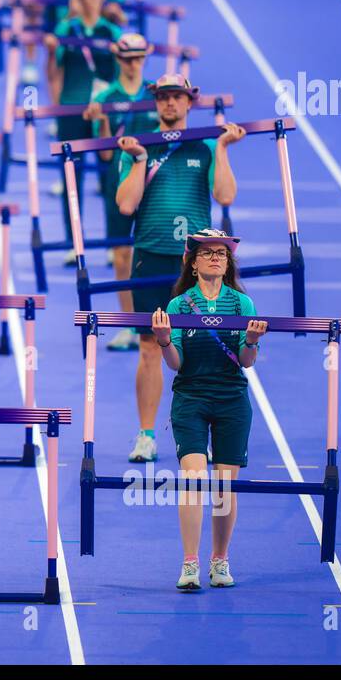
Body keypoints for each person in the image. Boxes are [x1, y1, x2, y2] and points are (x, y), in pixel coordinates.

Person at [115, 73, 244, 463]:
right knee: (151, 346)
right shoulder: (141, 146)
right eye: (164, 97)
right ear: (156, 101)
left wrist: (222, 149)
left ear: (190, 102)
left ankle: (204, 428)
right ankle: (147, 434)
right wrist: (138, 161)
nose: (170, 103)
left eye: (178, 97)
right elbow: (125, 205)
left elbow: (225, 195)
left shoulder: (206, 145)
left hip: (195, 263)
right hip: (151, 256)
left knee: (206, 346)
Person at [151, 229, 268, 590]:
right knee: (192, 480)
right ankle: (190, 564)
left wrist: (250, 341)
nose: (217, 257)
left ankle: (220, 560)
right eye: (209, 252)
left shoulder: (242, 305)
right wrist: (164, 341)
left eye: (222, 253)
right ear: (193, 261)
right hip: (191, 398)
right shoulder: (179, 306)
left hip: (232, 398)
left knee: (224, 486)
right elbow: (175, 364)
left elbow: (246, 362)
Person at [85, 32, 154, 351]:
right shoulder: (107, 97)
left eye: (138, 58)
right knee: (122, 253)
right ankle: (128, 324)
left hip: (155, 185)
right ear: (117, 58)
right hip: (120, 184)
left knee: (158, 252)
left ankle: (166, 323)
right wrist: (99, 122)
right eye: (127, 59)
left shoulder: (159, 95)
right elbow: (105, 155)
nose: (133, 64)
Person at [44, 0, 120, 251]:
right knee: (71, 179)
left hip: (103, 113)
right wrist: (51, 53)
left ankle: (115, 245)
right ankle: (71, 243)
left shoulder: (113, 33)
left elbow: (124, 77)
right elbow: (52, 74)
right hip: (71, 110)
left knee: (110, 178)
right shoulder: (64, 29)